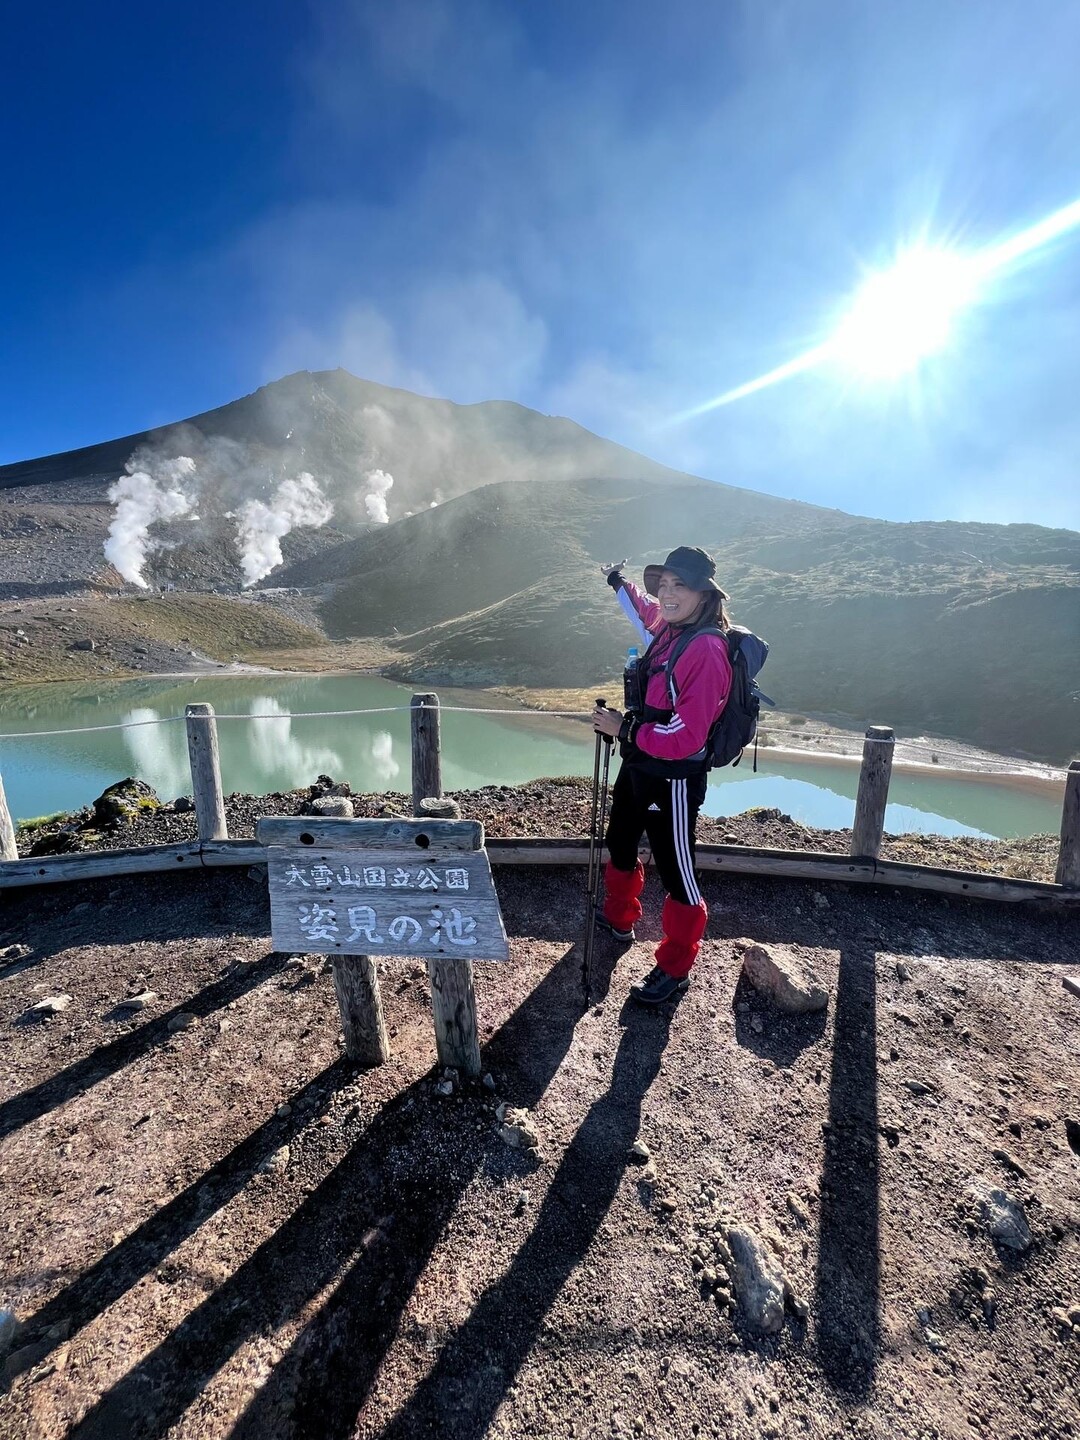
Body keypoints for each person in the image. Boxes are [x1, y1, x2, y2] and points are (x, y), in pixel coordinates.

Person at [593, 546, 732, 1004]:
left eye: (681, 585)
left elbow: (687, 736)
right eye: (665, 584)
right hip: (640, 764)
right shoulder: (669, 628)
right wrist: (617, 580)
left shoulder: (707, 649)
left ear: (704, 594)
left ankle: (675, 968)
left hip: (672, 778)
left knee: (677, 873)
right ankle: (619, 918)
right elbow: (644, 605)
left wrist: (624, 727)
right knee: (621, 840)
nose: (668, 594)